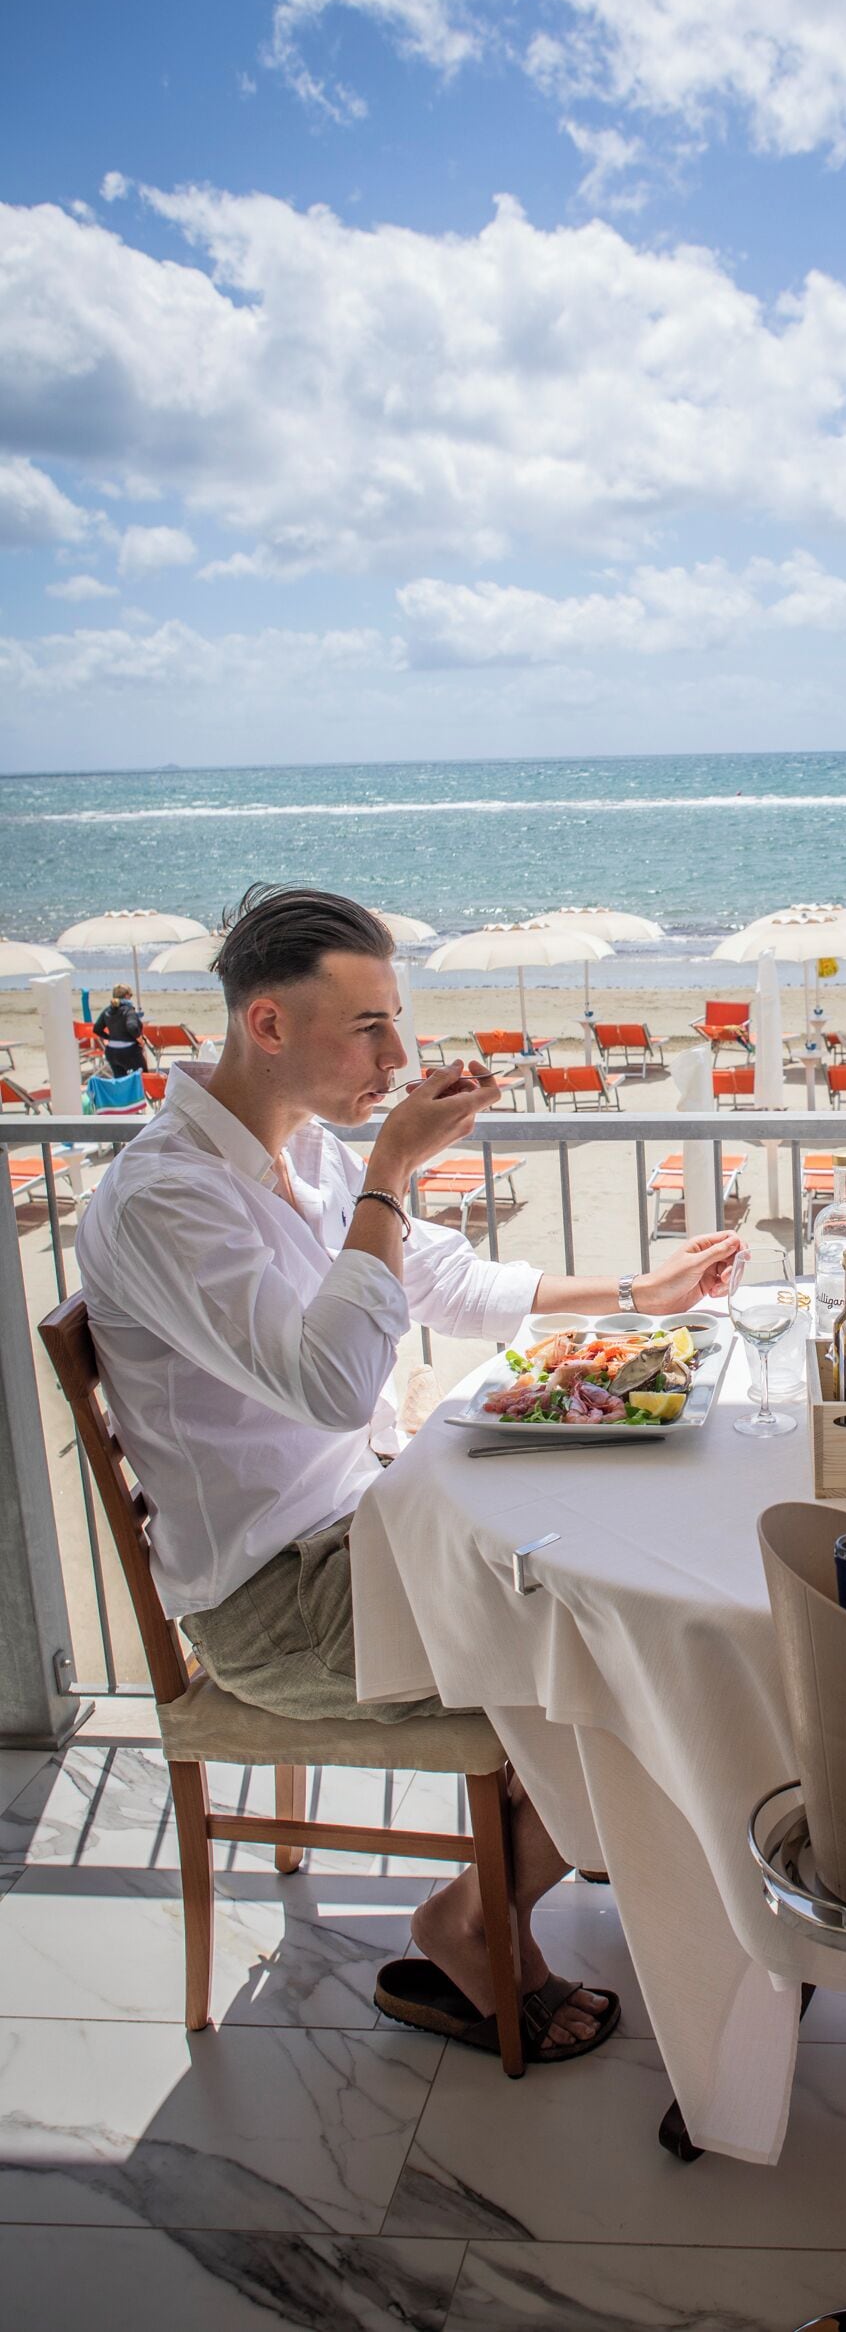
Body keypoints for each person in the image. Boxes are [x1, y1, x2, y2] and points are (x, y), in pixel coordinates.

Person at [78, 883, 743, 2064]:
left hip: (372, 1521)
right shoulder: (167, 1196)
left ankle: (540, 1881)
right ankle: (472, 1925)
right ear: (268, 1027)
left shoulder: (309, 1154)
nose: (402, 1054)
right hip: (275, 1598)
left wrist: (645, 1292)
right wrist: (390, 1166)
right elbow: (331, 1384)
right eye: (371, 1026)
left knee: (620, 1563)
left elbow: (443, 1284)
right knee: (621, 1654)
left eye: (399, 1020)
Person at [92, 983, 148, 1078]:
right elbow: (132, 1027)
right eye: (130, 995)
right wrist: (141, 1040)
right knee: (143, 1079)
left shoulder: (107, 1010)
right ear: (126, 995)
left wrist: (110, 1037)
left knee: (120, 1081)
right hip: (129, 1051)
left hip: (112, 1052)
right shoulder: (128, 1010)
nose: (130, 997)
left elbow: (97, 1029)